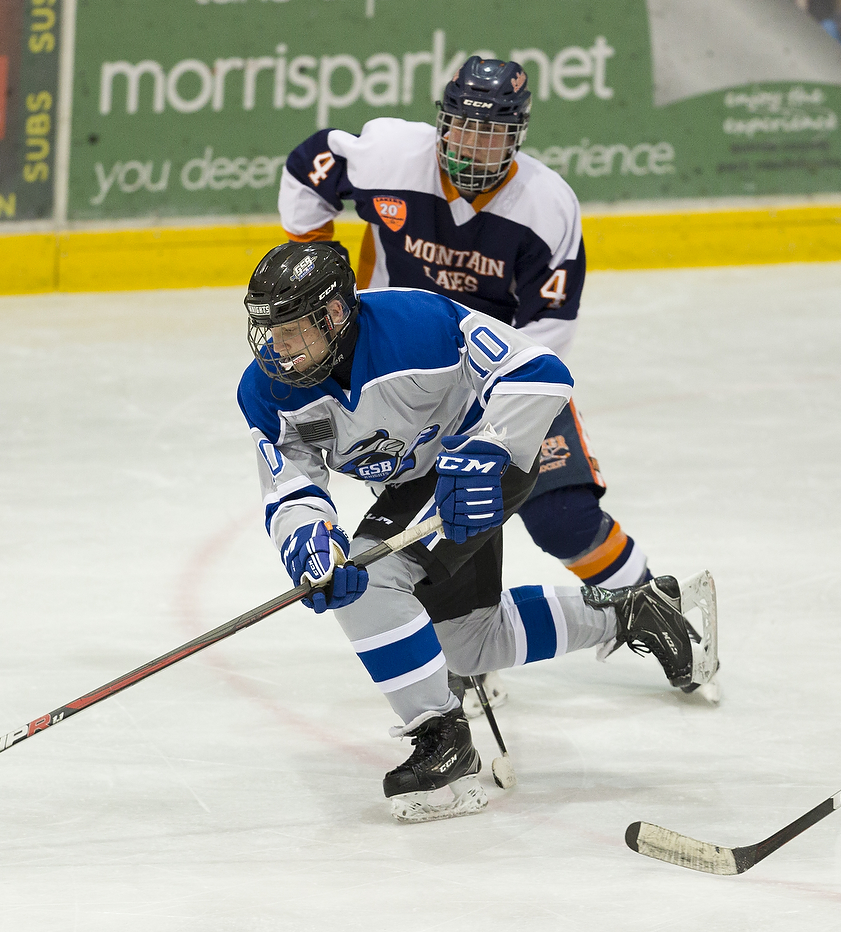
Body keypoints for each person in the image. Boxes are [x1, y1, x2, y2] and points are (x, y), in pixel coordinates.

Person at [236, 241, 718, 823]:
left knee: (372, 575)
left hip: (488, 467)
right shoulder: (266, 391)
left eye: (291, 330)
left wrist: (487, 450)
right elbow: (292, 483)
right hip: (417, 485)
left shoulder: (417, 325)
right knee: (470, 642)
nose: (277, 348)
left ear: (334, 314)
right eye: (269, 331)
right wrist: (308, 538)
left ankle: (442, 742)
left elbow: (540, 371)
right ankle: (634, 611)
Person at [278, 57, 657, 712]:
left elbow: (546, 336)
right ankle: (468, 642)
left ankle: (659, 609)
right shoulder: (391, 157)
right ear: (442, 122)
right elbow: (308, 164)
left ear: (518, 136)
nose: (474, 146)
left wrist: (492, 432)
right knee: (435, 538)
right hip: (403, 385)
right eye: (462, 128)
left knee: (564, 520)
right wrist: (319, 259)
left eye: (494, 133)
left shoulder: (546, 207)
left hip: (500, 378)